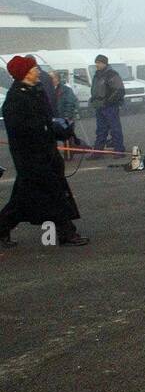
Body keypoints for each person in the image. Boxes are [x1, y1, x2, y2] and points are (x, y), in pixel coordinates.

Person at [0, 56, 88, 248]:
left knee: (22, 201)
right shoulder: (15, 99)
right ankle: (67, 234)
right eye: (33, 69)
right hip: (32, 159)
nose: (38, 72)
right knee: (55, 194)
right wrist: (45, 130)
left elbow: (48, 122)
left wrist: (64, 131)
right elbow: (23, 129)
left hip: (45, 155)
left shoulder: (36, 92)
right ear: (24, 74)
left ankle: (1, 227)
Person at [89, 55, 125, 157]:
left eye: (99, 62)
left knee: (115, 129)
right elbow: (96, 90)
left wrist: (108, 101)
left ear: (104, 63)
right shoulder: (97, 75)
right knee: (100, 130)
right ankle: (98, 152)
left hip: (110, 107)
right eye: (96, 62)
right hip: (99, 106)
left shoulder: (112, 74)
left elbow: (119, 90)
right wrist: (93, 99)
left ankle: (119, 151)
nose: (97, 64)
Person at [50, 71, 81, 159]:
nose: (50, 80)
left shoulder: (66, 90)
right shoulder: (47, 90)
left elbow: (71, 103)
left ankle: (68, 155)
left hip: (64, 117)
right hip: (52, 118)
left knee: (67, 136)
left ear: (57, 79)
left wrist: (67, 116)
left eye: (52, 78)